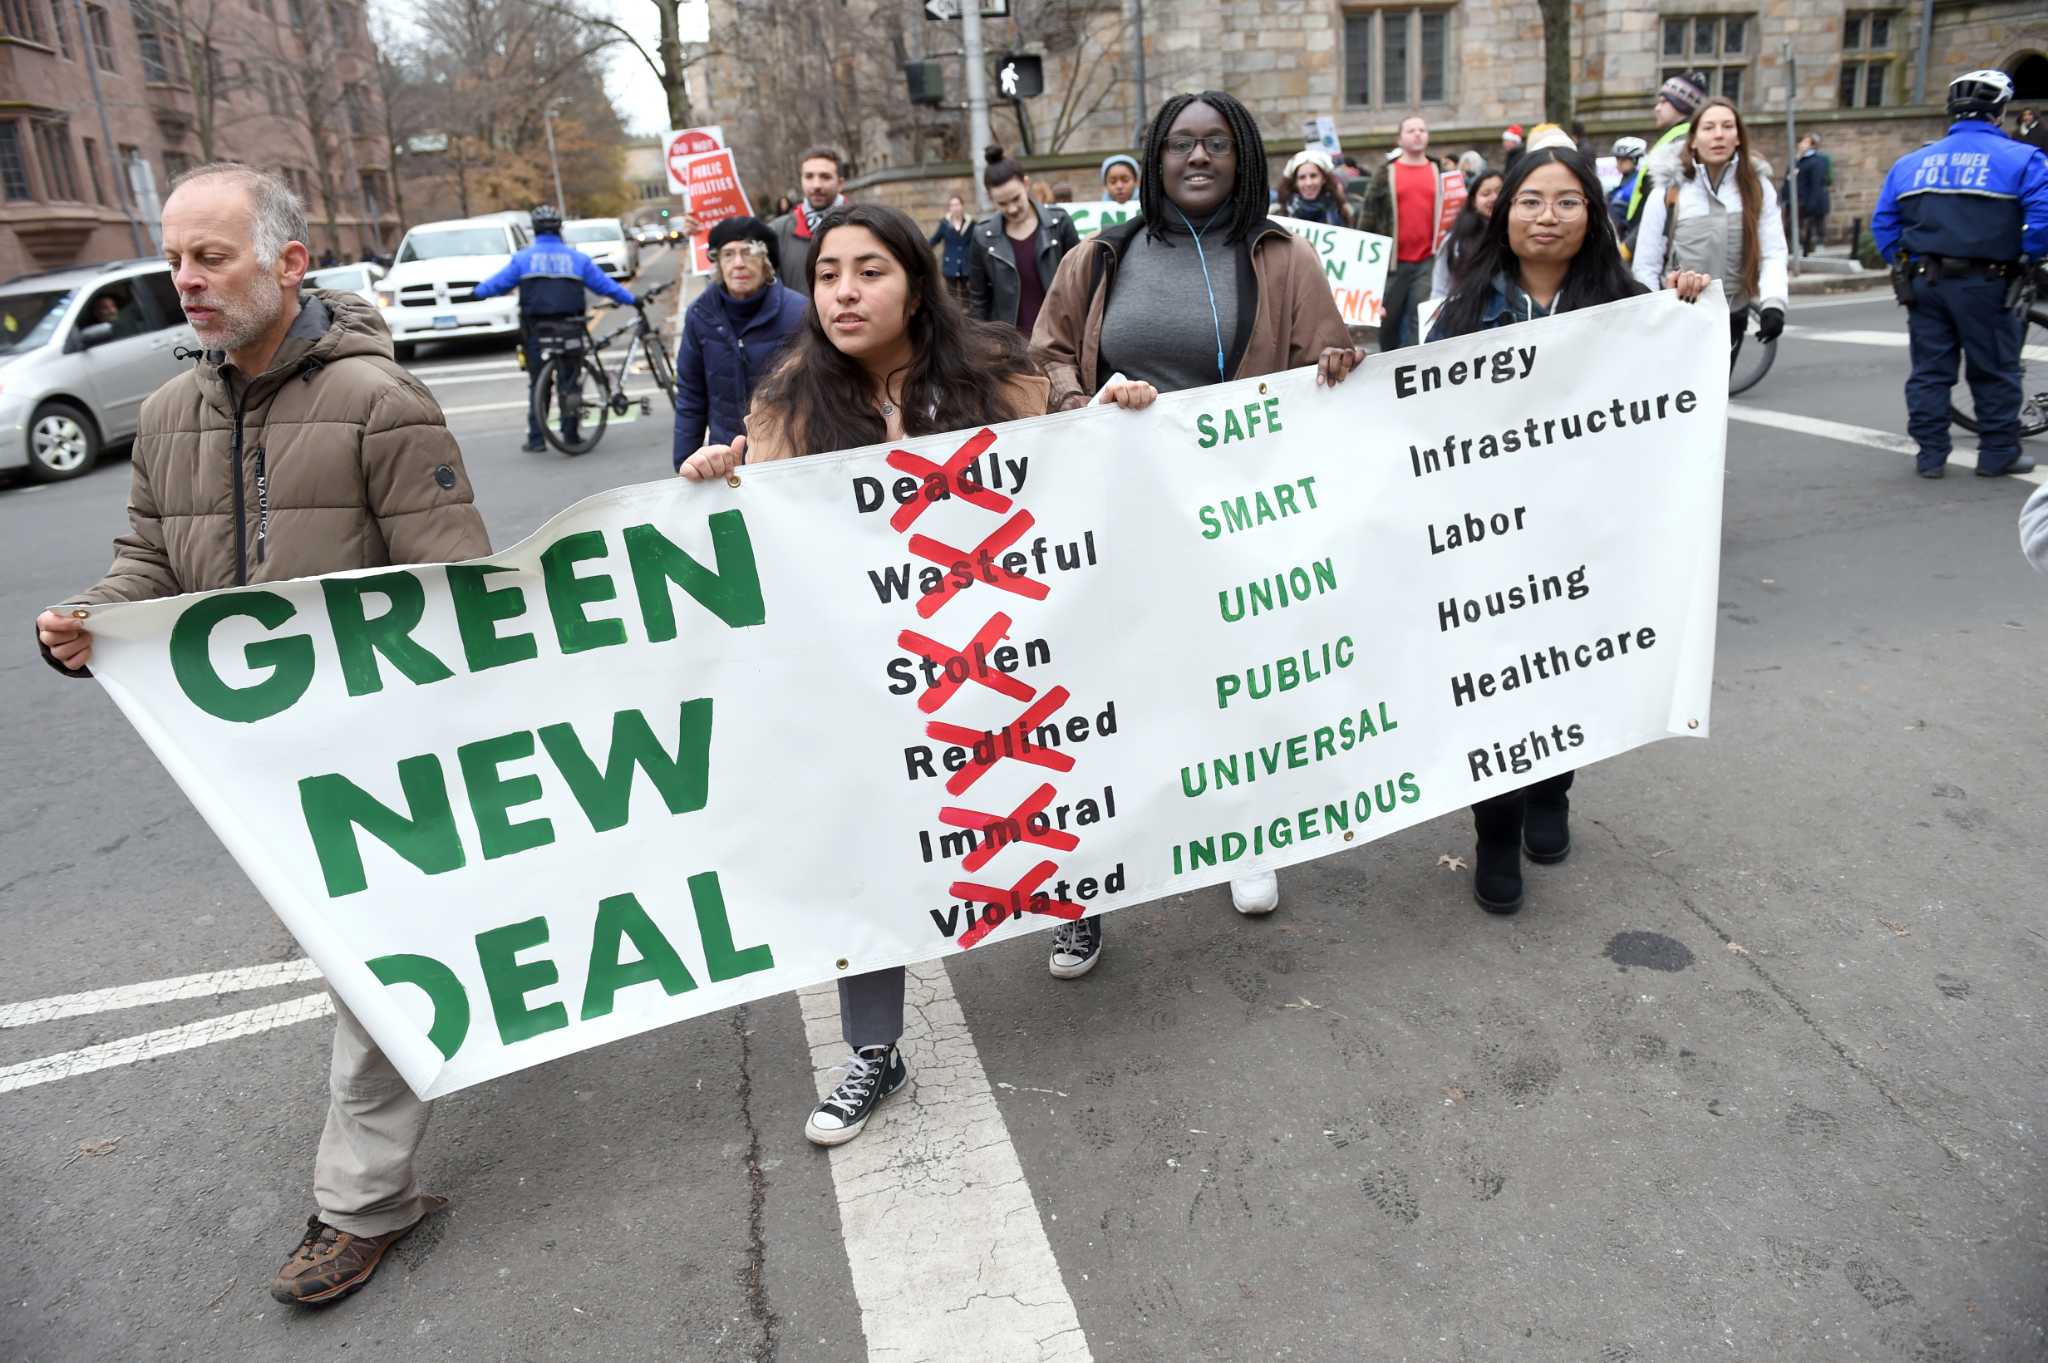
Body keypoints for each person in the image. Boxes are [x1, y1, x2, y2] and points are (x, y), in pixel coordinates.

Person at [35, 162, 488, 1307]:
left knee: (371, 963)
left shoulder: (380, 401)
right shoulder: (168, 415)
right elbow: (149, 559)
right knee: (371, 957)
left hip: (381, 761)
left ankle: (361, 1203)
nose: (185, 280)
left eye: (211, 256)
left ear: (289, 264)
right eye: (175, 258)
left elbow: (460, 593)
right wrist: (92, 617)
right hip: (257, 768)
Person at [675, 204, 1083, 1144]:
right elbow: (773, 542)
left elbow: (1077, 477)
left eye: (869, 272)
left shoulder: (998, 373)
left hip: (1005, 643)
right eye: (827, 276)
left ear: (916, 285)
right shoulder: (788, 405)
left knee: (1046, 780)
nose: (844, 293)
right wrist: (719, 485)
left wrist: (1115, 417)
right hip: (870, 675)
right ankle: (874, 1047)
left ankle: (1085, 891)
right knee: (865, 836)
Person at [1032, 88, 1361, 954]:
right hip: (1118, 513)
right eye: (1181, 143)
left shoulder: (1284, 257)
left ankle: (1246, 830)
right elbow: (1043, 359)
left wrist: (1337, 364)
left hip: (1234, 513)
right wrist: (1083, 400)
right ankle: (1084, 886)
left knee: (1233, 678)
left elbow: (1323, 364)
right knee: (1105, 692)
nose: (1200, 157)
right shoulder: (1101, 256)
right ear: (1156, 158)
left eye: (1217, 142)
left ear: (1243, 155)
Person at [1427, 148, 1711, 913]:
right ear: (1504, 213)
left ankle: (1553, 786)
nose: (1546, 217)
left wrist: (1689, 309)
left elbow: (1679, 401)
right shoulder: (1461, 311)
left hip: (1590, 537)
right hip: (1491, 541)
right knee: (1496, 683)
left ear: (1592, 213)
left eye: (1565, 201)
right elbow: (1414, 418)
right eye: (1530, 201)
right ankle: (1495, 828)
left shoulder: (1634, 308)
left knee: (1567, 670)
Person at [1873, 68, 2048, 479]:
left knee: (1929, 373)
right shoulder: (2024, 159)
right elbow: (2042, 221)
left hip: (1924, 282)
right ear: (1998, 112)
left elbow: (1884, 224)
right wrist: (2028, 256)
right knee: (1995, 369)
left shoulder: (1911, 162)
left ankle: (1931, 455)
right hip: (1989, 282)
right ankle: (1997, 453)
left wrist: (1904, 264)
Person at [1632, 98, 1789, 364]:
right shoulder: (1668, 190)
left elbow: (1773, 251)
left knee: (1720, 391)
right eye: (1708, 127)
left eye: (1727, 126)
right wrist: (1654, 314)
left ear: (1738, 137)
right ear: (1693, 140)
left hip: (1732, 316)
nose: (1718, 135)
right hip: (1678, 318)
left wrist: (1773, 303)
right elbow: (1646, 262)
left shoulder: (1757, 188)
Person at [471, 204, 637, 453]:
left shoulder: (523, 259)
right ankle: (571, 435)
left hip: (537, 331)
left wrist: (477, 292)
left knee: (538, 382)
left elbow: (498, 284)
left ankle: (537, 439)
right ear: (559, 229)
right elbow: (605, 286)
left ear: (535, 230)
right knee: (570, 381)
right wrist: (632, 300)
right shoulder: (577, 259)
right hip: (571, 328)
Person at [671, 215, 806, 466]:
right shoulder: (700, 314)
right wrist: (684, 463)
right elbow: (691, 396)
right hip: (725, 459)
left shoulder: (799, 312)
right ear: (718, 264)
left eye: (748, 253)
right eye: (728, 255)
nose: (739, 264)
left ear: (767, 263)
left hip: (788, 455)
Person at [966, 145, 1081, 336]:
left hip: (1060, 337)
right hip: (1010, 344)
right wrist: (983, 342)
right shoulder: (982, 236)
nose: (1012, 209)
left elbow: (1081, 282)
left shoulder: (1060, 223)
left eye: (1016, 198)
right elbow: (978, 301)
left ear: (1026, 184)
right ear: (989, 197)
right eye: (1002, 203)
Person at [1361, 113, 1446, 350]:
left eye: (1422, 130)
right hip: (1392, 264)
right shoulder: (1385, 173)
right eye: (1411, 130)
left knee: (1420, 320)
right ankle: (1389, 362)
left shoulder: (1439, 171)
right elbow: (1368, 216)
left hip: (1427, 261)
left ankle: (1414, 364)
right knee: (1388, 321)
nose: (1417, 134)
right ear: (1399, 139)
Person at [1623, 70, 1710, 249]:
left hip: (1653, 242)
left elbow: (1667, 204)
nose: (1657, 108)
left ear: (1682, 104)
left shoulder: (1683, 143)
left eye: (1664, 101)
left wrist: (1630, 246)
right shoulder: (1675, 137)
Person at [767, 146, 849, 284]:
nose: (816, 185)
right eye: (809, 176)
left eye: (825, 177)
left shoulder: (865, 226)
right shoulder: (777, 231)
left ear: (840, 184)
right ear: (801, 180)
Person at [1430, 169, 1502, 301]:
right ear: (1473, 201)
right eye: (1486, 194)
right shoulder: (1456, 241)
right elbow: (1440, 288)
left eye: (1499, 192)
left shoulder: (1518, 237)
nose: (1494, 198)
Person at [1282, 146, 1352, 226]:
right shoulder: (1279, 213)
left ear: (1323, 179)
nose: (1308, 183)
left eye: (1313, 176)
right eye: (1302, 177)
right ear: (1295, 182)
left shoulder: (1341, 211)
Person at [928, 192, 974, 305]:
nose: (955, 208)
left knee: (967, 297)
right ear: (949, 208)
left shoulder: (971, 223)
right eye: (952, 205)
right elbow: (935, 239)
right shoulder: (945, 224)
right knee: (951, 297)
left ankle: (966, 315)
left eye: (957, 204)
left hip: (966, 265)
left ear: (962, 206)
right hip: (950, 265)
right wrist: (923, 248)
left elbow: (977, 242)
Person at [1795, 133, 1832, 255]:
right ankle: (1802, 245)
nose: (1801, 145)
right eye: (1801, 142)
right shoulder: (1798, 160)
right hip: (1802, 198)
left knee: (1818, 222)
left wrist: (1812, 202)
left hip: (1816, 198)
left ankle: (1819, 244)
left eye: (1805, 142)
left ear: (1812, 145)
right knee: (1799, 224)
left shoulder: (1817, 160)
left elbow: (1817, 182)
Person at [1608, 136, 1647, 234]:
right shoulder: (1626, 181)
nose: (1619, 163)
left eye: (1624, 159)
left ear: (1635, 160)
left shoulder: (1637, 183)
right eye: (1617, 158)